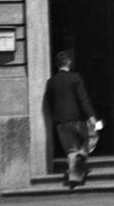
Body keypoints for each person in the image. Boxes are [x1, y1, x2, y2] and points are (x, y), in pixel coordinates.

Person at [43, 51, 101, 190]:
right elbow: (83, 98)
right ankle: (82, 154)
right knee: (91, 137)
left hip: (61, 122)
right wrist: (91, 116)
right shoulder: (75, 77)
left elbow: (49, 103)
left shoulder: (51, 82)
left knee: (71, 149)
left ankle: (74, 179)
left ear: (57, 64)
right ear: (69, 62)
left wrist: (55, 119)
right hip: (77, 119)